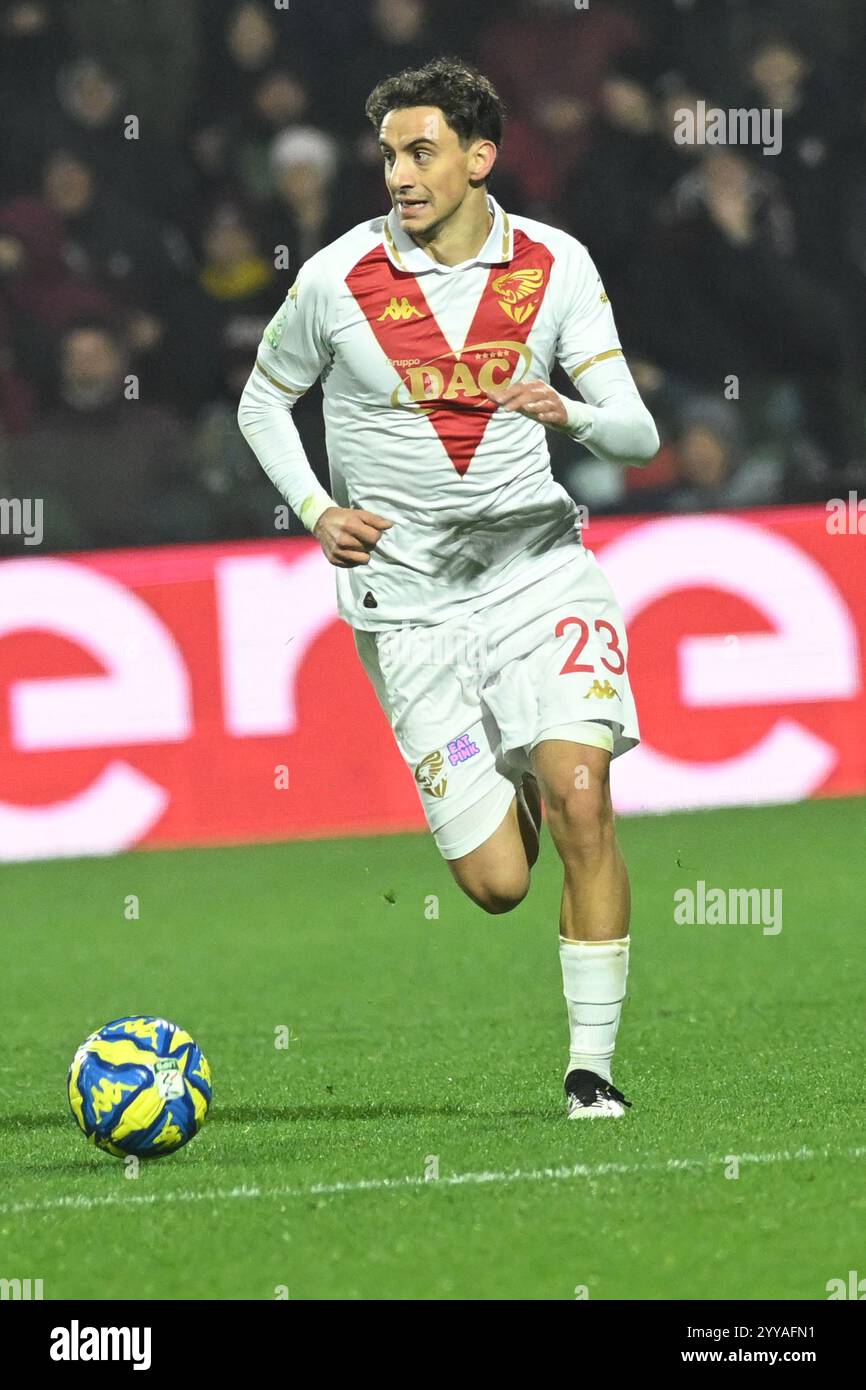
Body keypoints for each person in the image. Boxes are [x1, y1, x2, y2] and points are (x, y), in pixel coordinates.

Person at [237, 57, 659, 1119]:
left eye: (419, 152)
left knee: (581, 795)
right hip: (408, 609)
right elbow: (260, 401)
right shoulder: (335, 279)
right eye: (386, 154)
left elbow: (639, 430)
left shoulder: (554, 265)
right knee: (497, 885)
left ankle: (591, 1073)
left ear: (479, 159)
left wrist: (567, 412)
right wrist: (314, 509)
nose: (397, 174)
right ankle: (520, 761)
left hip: (535, 576)